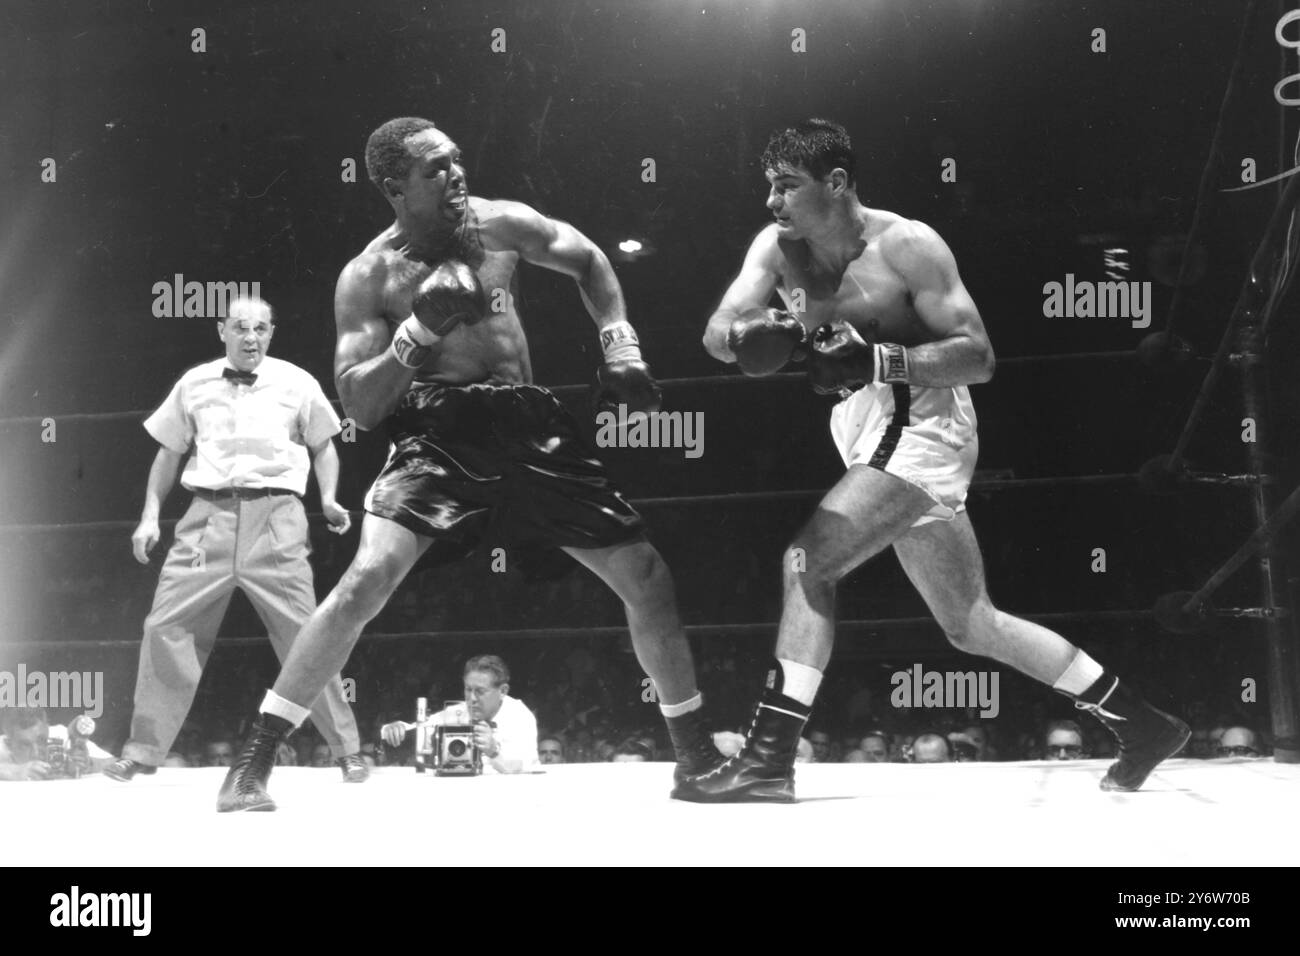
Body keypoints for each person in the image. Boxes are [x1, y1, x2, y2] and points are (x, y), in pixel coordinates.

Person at [218, 117, 719, 811]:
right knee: (365, 580)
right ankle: (252, 765)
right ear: (396, 187)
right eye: (436, 169)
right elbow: (360, 405)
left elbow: (590, 261)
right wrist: (419, 330)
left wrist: (620, 344)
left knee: (647, 576)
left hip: (526, 420)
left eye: (457, 161)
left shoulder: (501, 224)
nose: (457, 176)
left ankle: (694, 756)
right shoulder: (369, 276)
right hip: (436, 429)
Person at [681, 118, 1188, 802]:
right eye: (768, 186)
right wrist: (752, 337)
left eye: (787, 185)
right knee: (971, 623)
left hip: (923, 422)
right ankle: (1144, 724)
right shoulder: (776, 247)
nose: (772, 202)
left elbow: (977, 356)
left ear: (835, 182)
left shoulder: (907, 245)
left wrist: (877, 356)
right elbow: (715, 332)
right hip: (863, 426)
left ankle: (769, 758)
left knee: (808, 562)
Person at [105, 296, 368, 785]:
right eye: (242, 327)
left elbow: (324, 447)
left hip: (277, 518)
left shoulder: (296, 381)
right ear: (222, 329)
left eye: (262, 328)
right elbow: (168, 453)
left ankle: (347, 749)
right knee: (166, 624)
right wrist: (149, 515)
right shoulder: (194, 382)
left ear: (272, 332)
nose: (252, 337)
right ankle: (142, 751)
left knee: (306, 633)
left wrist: (329, 498)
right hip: (207, 517)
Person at [381, 656, 539, 774]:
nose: (472, 699)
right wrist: (395, 728)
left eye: (480, 691)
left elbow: (521, 769)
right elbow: (422, 728)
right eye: (468, 689)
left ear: (503, 691)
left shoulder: (520, 717)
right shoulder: (459, 711)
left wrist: (493, 751)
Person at [0, 708, 113, 781]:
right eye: (25, 745)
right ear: (8, 744)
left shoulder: (63, 735)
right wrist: (14, 771)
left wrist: (89, 764)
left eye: (41, 741)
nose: (36, 753)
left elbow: (120, 762)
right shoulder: (2, 746)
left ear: (47, 729)